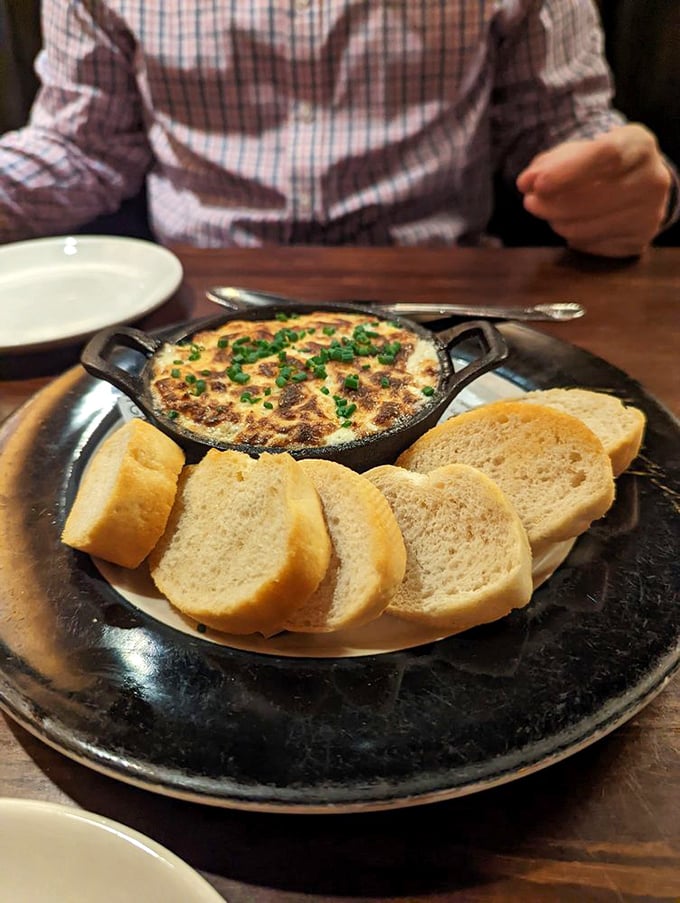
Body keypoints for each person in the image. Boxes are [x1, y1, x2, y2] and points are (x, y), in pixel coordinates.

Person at [0, 0, 676, 256]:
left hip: (441, 298)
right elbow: (83, 146)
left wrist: (633, 188)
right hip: (197, 303)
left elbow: (561, 128)